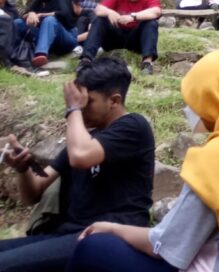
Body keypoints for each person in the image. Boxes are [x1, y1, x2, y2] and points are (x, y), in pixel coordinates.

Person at [67, 46, 219, 272]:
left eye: (195, 99)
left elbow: (166, 247)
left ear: (213, 98)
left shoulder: (218, 157)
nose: (189, 109)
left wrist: (113, 229)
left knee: (94, 247)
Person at [0, 57, 154, 272]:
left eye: (87, 102)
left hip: (108, 239)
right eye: (78, 102)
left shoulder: (134, 126)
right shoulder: (86, 139)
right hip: (67, 235)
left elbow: (80, 156)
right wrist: (22, 168)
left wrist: (72, 109)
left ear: (114, 101)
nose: (81, 109)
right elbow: (32, 193)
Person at [79, 0, 161, 75]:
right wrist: (109, 12)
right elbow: (98, 9)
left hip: (136, 40)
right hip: (114, 37)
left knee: (151, 22)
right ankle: (86, 60)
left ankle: (147, 63)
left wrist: (133, 16)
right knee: (99, 19)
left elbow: (156, 12)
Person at [16, 0, 77, 69]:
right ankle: (10, 51)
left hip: (66, 39)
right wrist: (31, 14)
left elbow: (64, 14)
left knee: (50, 20)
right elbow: (25, 14)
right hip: (47, 38)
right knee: (18, 23)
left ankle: (40, 54)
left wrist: (40, 15)